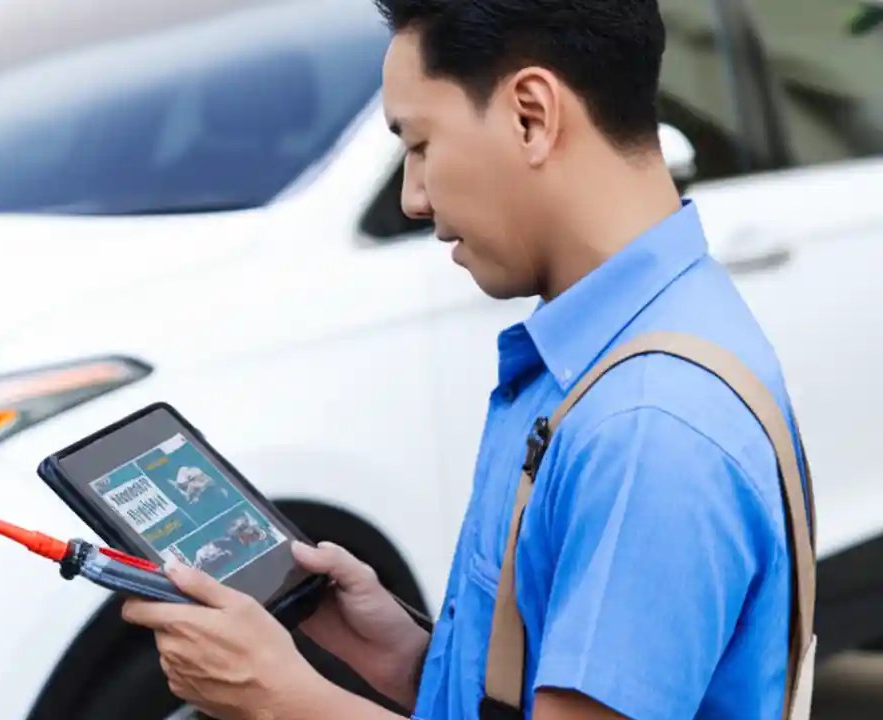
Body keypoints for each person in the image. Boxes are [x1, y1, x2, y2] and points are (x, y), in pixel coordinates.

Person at [121, 0, 807, 718]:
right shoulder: (622, 345)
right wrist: (402, 655)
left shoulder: (648, 426)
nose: (415, 198)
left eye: (419, 144)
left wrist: (279, 699)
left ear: (531, 115)